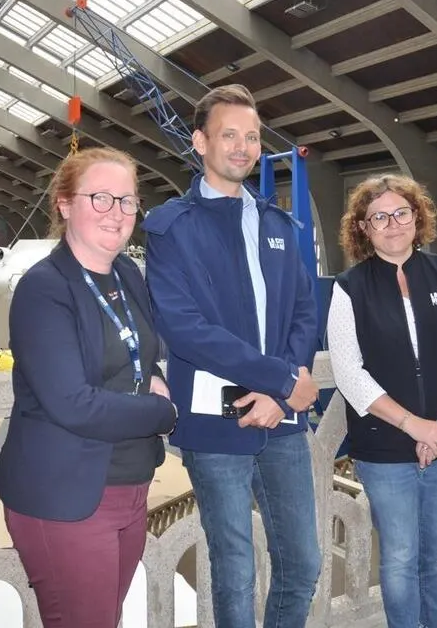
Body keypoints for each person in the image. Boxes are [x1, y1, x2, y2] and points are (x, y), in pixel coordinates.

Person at [143, 84, 322, 628]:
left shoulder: (278, 225)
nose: (243, 147)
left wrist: (279, 391)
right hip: (216, 418)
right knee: (235, 565)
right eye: (229, 135)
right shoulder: (171, 227)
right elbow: (186, 330)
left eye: (252, 137)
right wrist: (283, 379)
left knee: (303, 562)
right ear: (199, 141)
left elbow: (303, 312)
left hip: (282, 419)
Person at [0, 147, 178, 628]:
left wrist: (156, 377)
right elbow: (73, 404)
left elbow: (144, 353)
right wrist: (163, 414)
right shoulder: (44, 288)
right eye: (100, 198)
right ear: (65, 204)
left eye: (127, 201)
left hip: (131, 488)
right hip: (68, 498)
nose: (117, 213)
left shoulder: (127, 274)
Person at [326, 175, 437, 628]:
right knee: (398, 557)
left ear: (418, 218)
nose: (392, 224)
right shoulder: (349, 288)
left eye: (401, 213)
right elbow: (349, 373)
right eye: (379, 217)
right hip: (384, 445)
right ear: (363, 228)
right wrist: (414, 426)